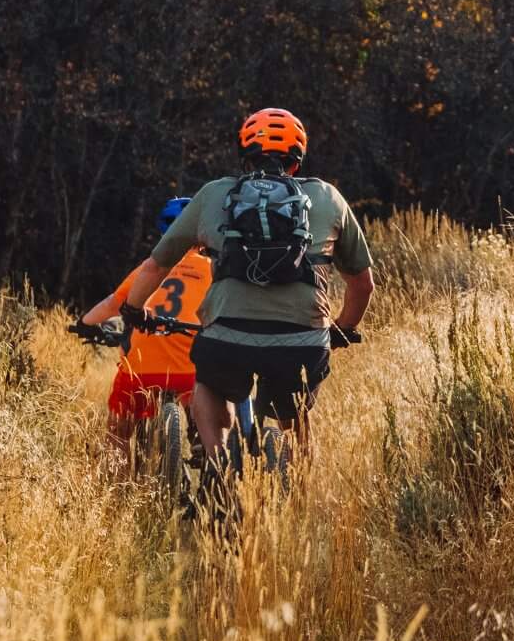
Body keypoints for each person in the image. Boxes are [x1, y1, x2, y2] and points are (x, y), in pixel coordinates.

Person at [119, 108, 375, 494]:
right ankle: (294, 501)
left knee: (207, 390)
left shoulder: (214, 194)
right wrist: (342, 329)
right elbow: (362, 284)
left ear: (244, 152)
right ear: (298, 158)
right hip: (302, 341)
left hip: (227, 338)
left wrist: (133, 310)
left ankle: (219, 466)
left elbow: (157, 265)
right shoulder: (327, 197)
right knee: (296, 421)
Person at [77, 195, 207, 472]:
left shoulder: (147, 269)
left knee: (118, 431)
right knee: (200, 385)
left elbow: (113, 304)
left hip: (141, 368)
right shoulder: (211, 270)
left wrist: (85, 323)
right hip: (190, 367)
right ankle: (199, 433)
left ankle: (120, 487)